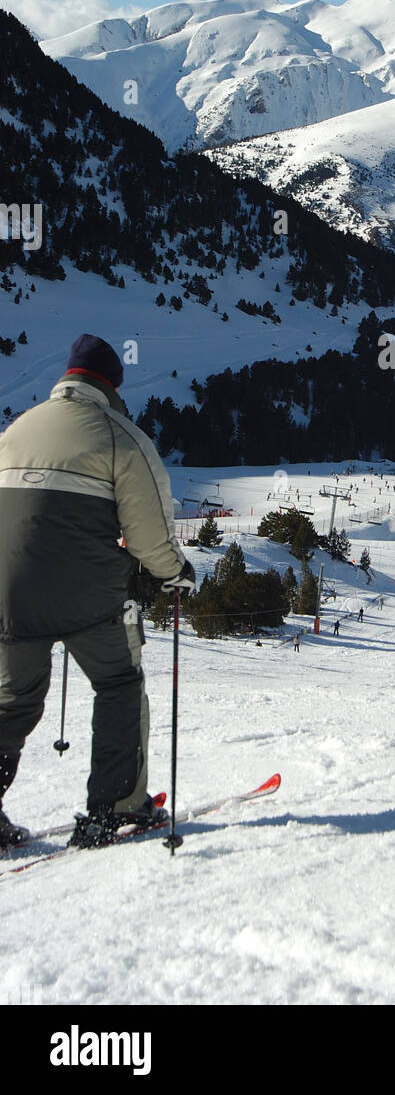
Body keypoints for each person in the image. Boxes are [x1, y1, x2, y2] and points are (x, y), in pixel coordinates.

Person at [0, 335, 196, 850]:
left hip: (9, 594)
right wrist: (175, 571)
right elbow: (149, 534)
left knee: (12, 699)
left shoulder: (15, 430)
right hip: (90, 596)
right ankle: (117, 807)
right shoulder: (119, 436)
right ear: (111, 384)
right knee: (118, 684)